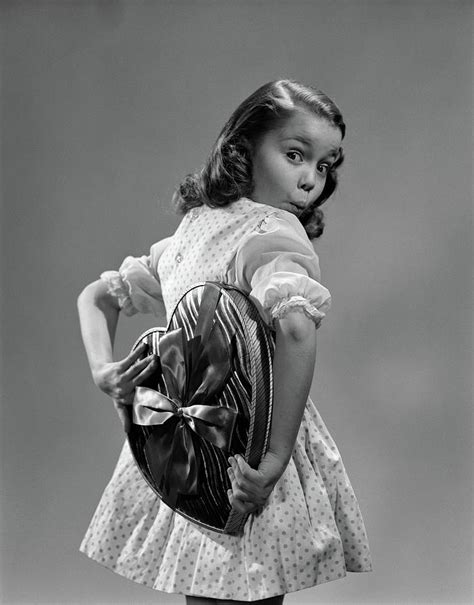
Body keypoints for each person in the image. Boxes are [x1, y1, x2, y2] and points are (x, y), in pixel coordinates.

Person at [77, 79, 372, 605]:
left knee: (210, 592)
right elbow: (297, 328)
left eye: (325, 166)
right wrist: (276, 457)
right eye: (295, 154)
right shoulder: (271, 233)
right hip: (246, 445)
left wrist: (105, 369)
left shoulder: (189, 232)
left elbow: (96, 296)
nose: (311, 179)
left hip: (182, 449)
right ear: (242, 148)